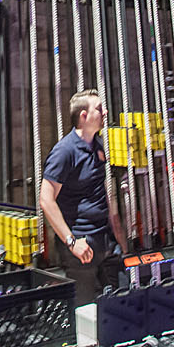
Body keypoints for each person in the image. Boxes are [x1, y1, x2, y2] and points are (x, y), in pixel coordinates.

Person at [39, 89, 128, 305]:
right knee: (86, 311)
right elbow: (46, 199)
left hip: (106, 241)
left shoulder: (97, 146)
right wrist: (71, 242)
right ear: (83, 116)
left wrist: (118, 232)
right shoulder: (65, 151)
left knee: (121, 302)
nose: (105, 112)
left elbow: (100, 192)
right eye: (99, 109)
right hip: (81, 245)